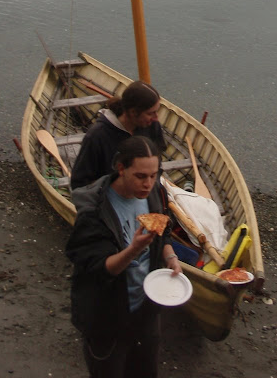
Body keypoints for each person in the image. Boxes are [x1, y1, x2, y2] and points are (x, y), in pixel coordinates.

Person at [66, 135, 181, 378]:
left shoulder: (153, 193)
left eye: (153, 175)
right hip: (106, 318)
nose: (148, 183)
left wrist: (171, 258)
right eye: (140, 176)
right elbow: (100, 270)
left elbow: (163, 232)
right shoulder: (95, 211)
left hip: (146, 311)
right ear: (121, 168)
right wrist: (133, 250)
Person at [71, 80, 165, 189]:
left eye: (156, 111)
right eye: (150, 113)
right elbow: (79, 183)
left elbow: (158, 162)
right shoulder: (97, 136)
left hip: (146, 190)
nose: (156, 118)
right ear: (133, 112)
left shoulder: (152, 125)